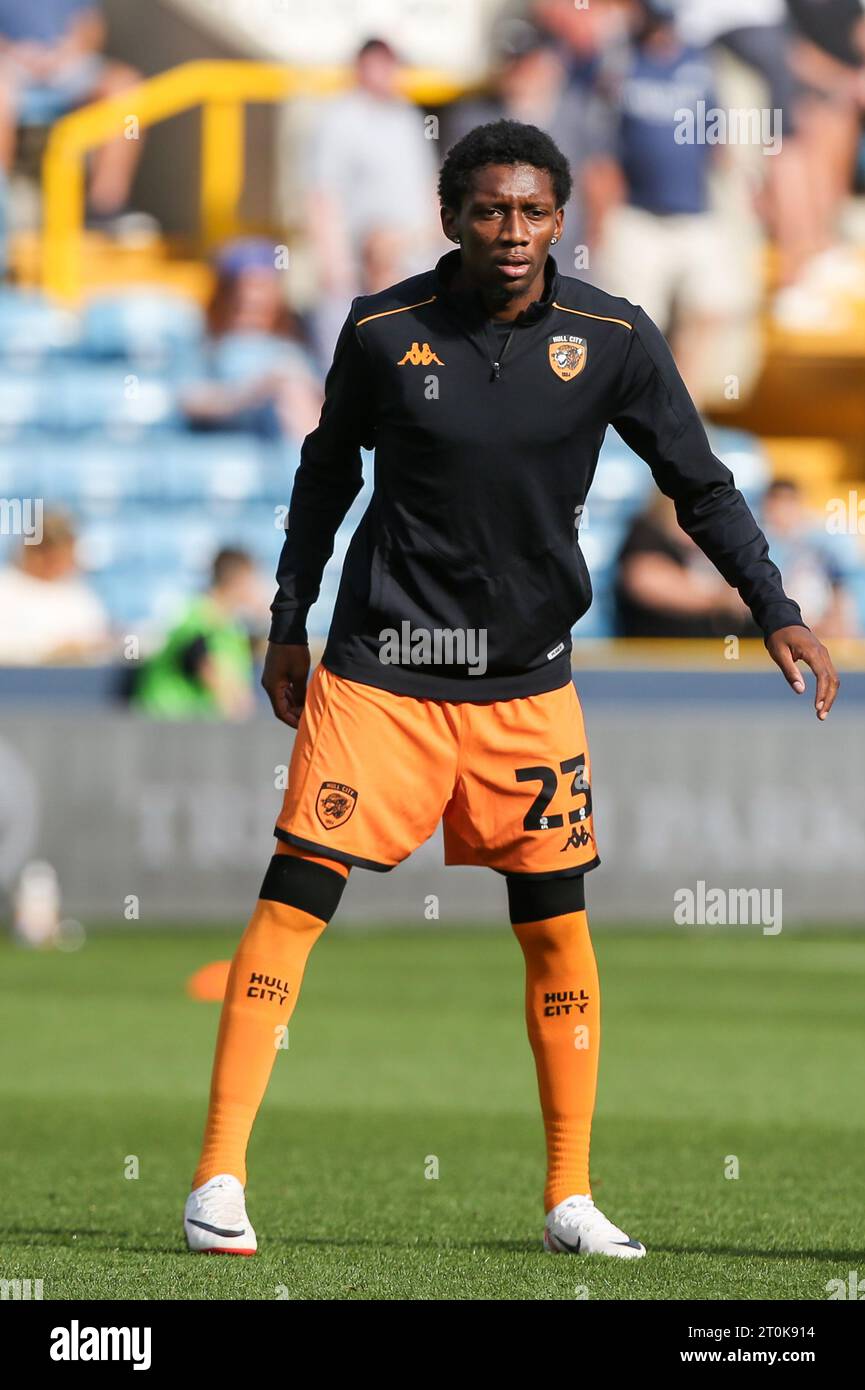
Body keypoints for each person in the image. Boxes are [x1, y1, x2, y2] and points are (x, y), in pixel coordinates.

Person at [183, 120, 838, 1260]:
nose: (515, 232)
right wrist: (289, 619)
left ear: (560, 219)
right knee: (295, 898)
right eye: (492, 210)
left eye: (535, 211)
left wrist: (773, 606)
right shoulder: (385, 331)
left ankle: (569, 1196)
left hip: (528, 688)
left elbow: (699, 480)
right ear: (452, 219)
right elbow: (324, 476)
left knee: (554, 931)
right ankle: (217, 1178)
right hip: (382, 671)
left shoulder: (614, 336)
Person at [0, 0, 142, 219]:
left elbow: (92, 28)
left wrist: (69, 52)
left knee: (128, 92)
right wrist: (17, 53)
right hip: (9, 66)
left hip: (67, 65)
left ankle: (107, 207)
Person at [180, 239, 322, 443]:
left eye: (262, 287)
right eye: (241, 289)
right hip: (226, 447)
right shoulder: (206, 346)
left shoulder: (290, 348)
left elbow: (321, 403)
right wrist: (253, 393)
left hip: (286, 441)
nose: (251, 297)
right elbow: (190, 402)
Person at [132, 548, 261, 720]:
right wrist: (238, 708)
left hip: (197, 725)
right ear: (239, 581)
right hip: (166, 719)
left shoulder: (232, 627)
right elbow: (200, 660)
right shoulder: (196, 613)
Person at [615, 493, 757, 637]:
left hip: (709, 649)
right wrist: (721, 599)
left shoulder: (713, 543)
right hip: (657, 650)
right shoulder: (646, 533)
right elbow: (644, 580)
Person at [0, 510, 109, 663]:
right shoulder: (6, 589)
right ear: (38, 553)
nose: (69, 564)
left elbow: (99, 641)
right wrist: (50, 650)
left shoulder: (78, 594)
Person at [760, 479, 858, 638]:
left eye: (787, 503)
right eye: (776, 504)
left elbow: (841, 586)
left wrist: (833, 621)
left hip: (819, 628)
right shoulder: (756, 543)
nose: (781, 512)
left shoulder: (820, 541)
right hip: (771, 627)